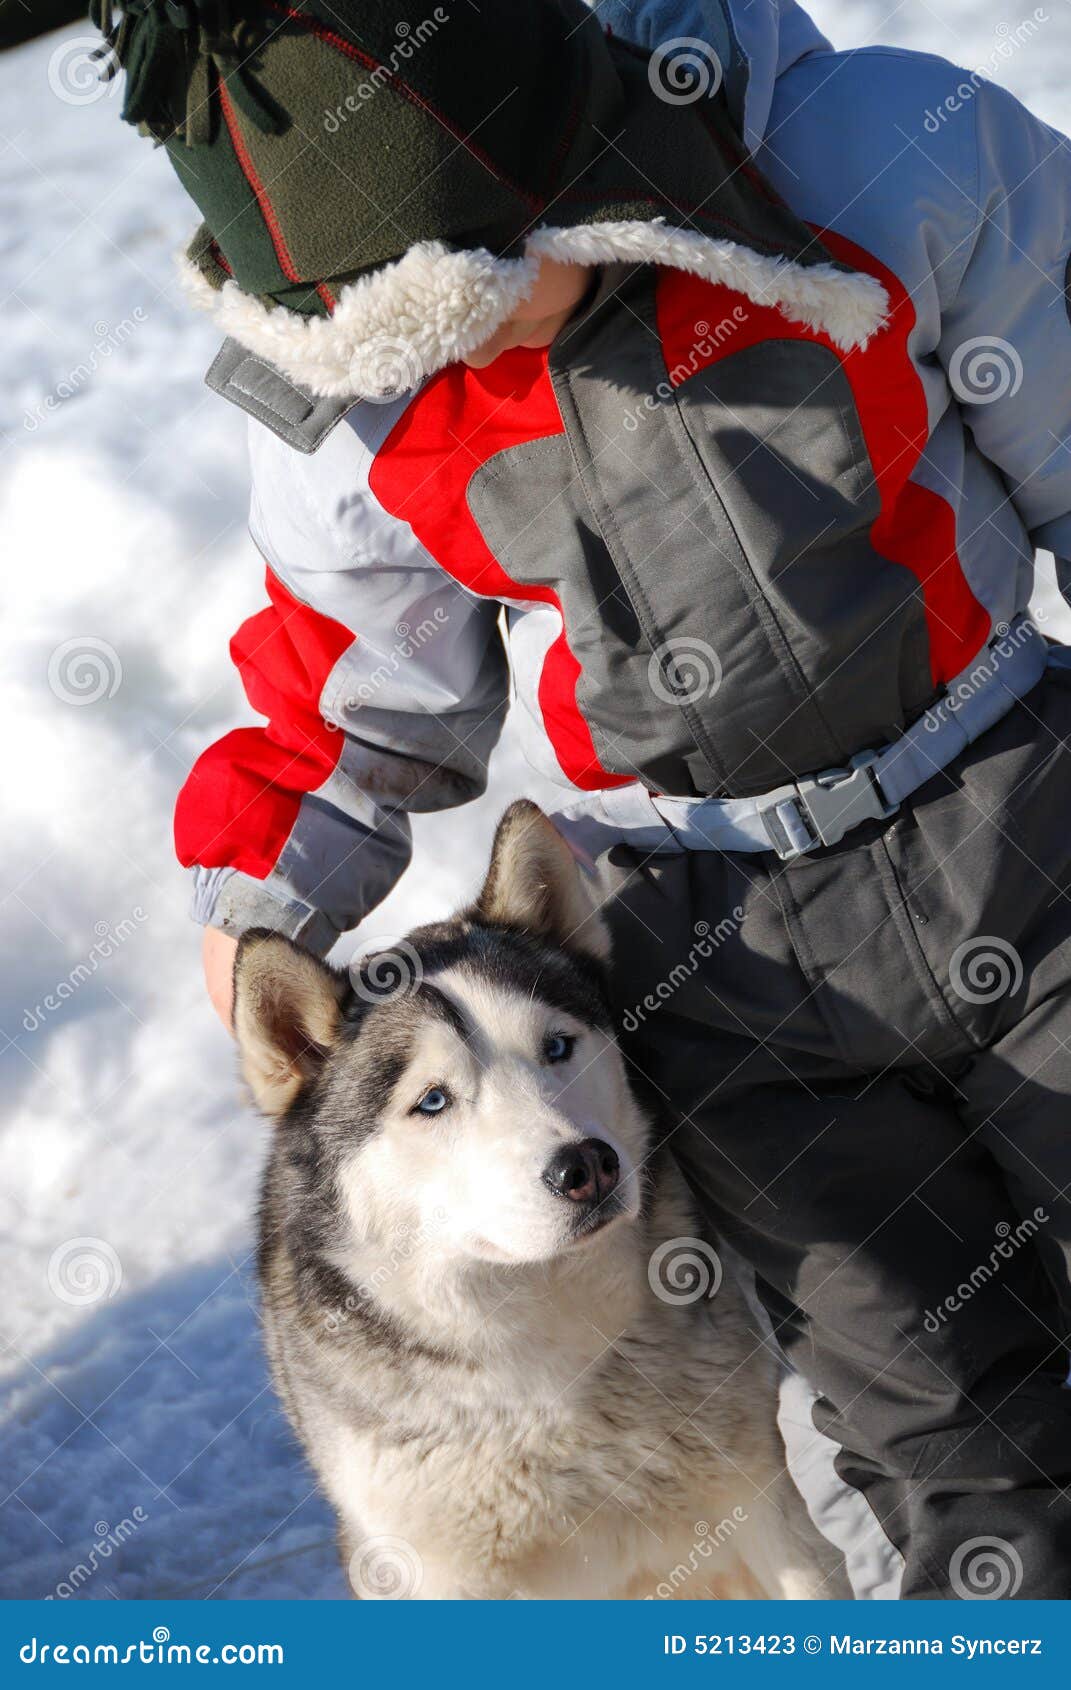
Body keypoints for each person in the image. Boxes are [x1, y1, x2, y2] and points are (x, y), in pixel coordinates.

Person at [96, 0, 1071, 1598]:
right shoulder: (363, 396)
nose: (457, 353)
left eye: (482, 290)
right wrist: (268, 883)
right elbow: (360, 682)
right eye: (401, 341)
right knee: (949, 1429)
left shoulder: (873, 164)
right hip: (729, 966)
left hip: (1023, 824)